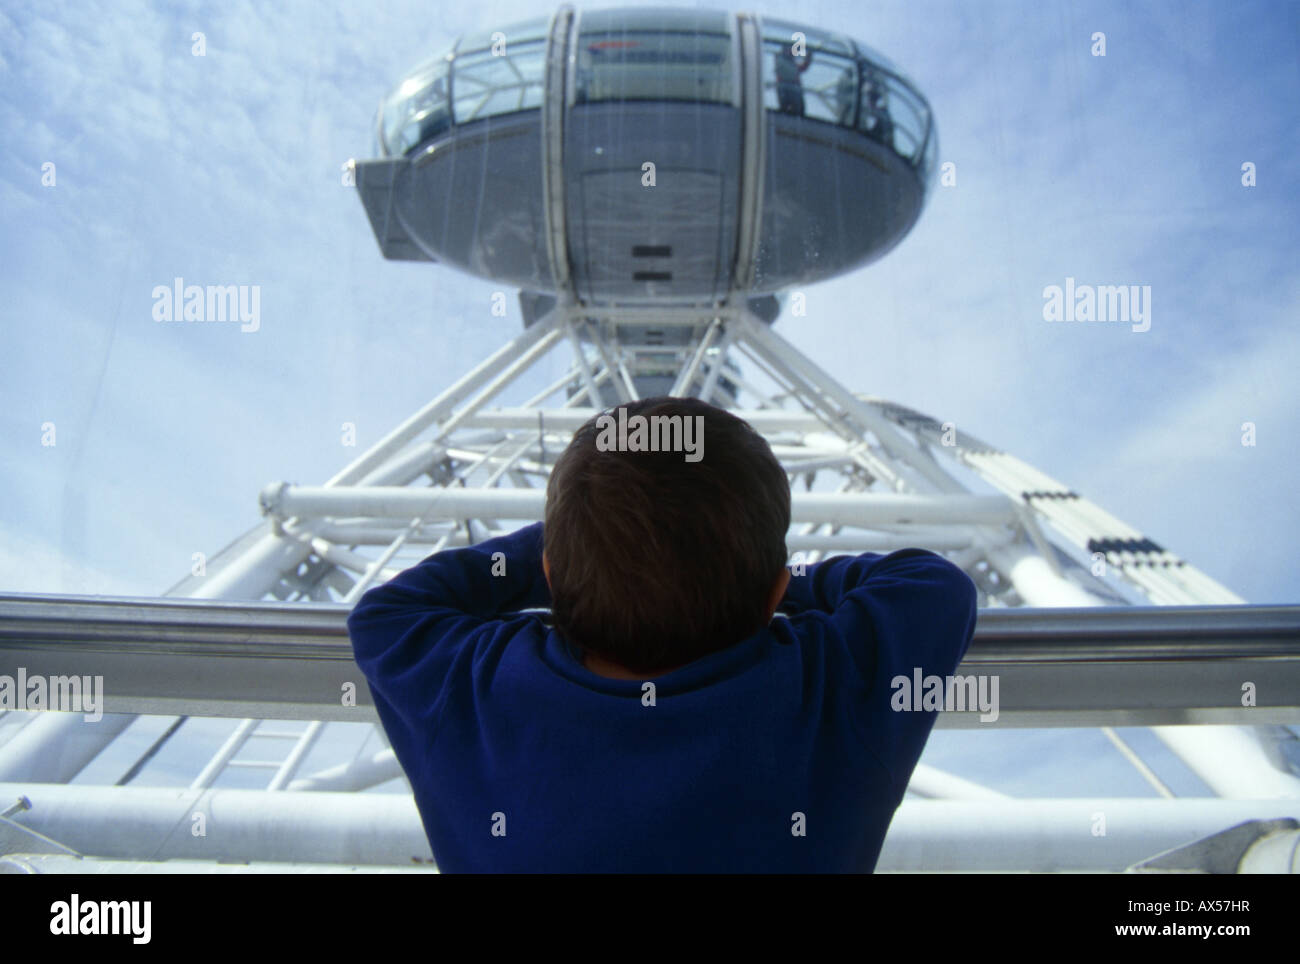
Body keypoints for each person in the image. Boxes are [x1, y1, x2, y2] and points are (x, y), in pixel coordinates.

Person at [347, 395, 977, 872]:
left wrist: (581, 547)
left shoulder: (473, 693)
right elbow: (933, 587)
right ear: (774, 596)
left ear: (547, 573)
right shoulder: (832, 693)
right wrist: (782, 578)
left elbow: (383, 615)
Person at [774, 44, 813, 116]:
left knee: (798, 111)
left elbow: (802, 67)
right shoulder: (781, 61)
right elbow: (795, 71)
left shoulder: (787, 60)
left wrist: (809, 56)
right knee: (789, 112)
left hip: (792, 92)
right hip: (788, 92)